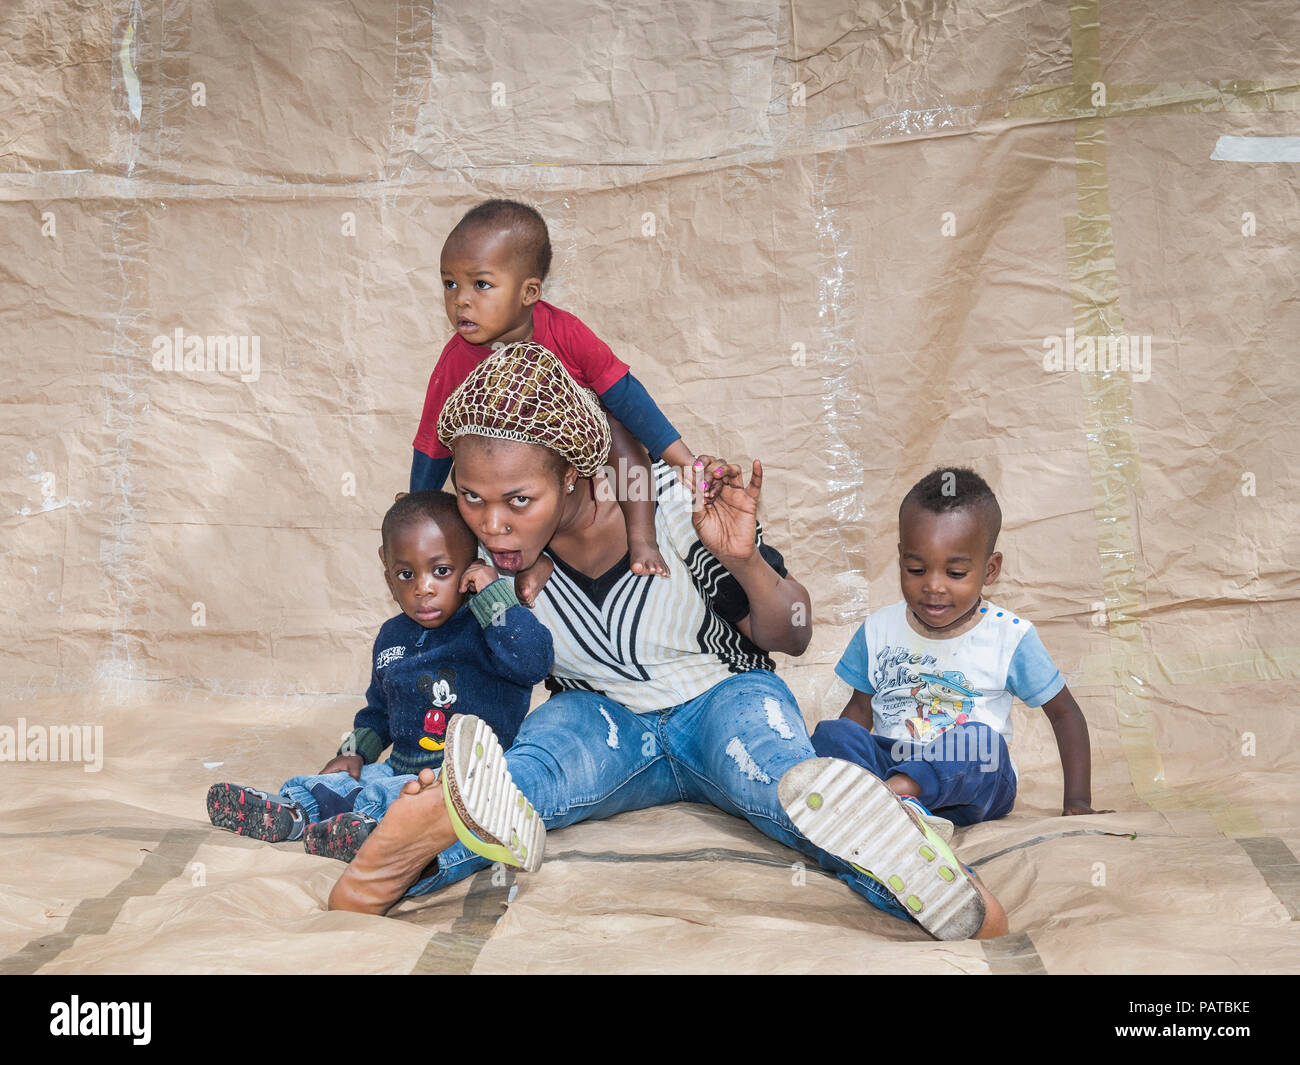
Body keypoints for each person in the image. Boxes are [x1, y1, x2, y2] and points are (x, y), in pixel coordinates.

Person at [328, 344, 1008, 941]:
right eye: (472, 498)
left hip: (722, 698)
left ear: (573, 474)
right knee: (525, 776)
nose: (493, 523)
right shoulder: (482, 561)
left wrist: (743, 560)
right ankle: (416, 852)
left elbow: (793, 632)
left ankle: (927, 871)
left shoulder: (679, 502)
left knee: (787, 785)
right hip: (599, 716)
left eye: (516, 500)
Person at [205, 491, 553, 862]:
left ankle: (363, 829)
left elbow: (533, 661)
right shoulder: (393, 637)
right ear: (388, 579)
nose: (423, 588)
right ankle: (291, 811)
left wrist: (494, 594)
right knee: (345, 784)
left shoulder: (488, 625)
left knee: (392, 797)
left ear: (471, 569)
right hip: (397, 768)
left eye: (441, 571)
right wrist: (353, 753)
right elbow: (380, 711)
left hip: (460, 785)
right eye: (406, 574)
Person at [409, 198, 719, 600]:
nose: (461, 300)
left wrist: (683, 461)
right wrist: (417, 504)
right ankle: (532, 560)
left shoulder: (565, 332)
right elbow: (433, 441)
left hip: (579, 461)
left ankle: (642, 535)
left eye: (480, 284)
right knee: (468, 476)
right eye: (450, 283)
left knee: (619, 434)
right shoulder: (456, 360)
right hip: (510, 480)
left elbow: (626, 394)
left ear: (529, 291)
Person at [807, 467, 1112, 829]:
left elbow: (1065, 714)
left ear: (990, 569)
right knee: (833, 732)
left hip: (973, 782)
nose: (933, 586)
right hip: (890, 761)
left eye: (955, 574)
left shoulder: (1009, 635)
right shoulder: (877, 629)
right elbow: (860, 710)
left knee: (979, 740)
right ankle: (883, 802)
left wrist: (1077, 801)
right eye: (916, 569)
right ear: (901, 557)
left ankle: (885, 801)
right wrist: (843, 759)